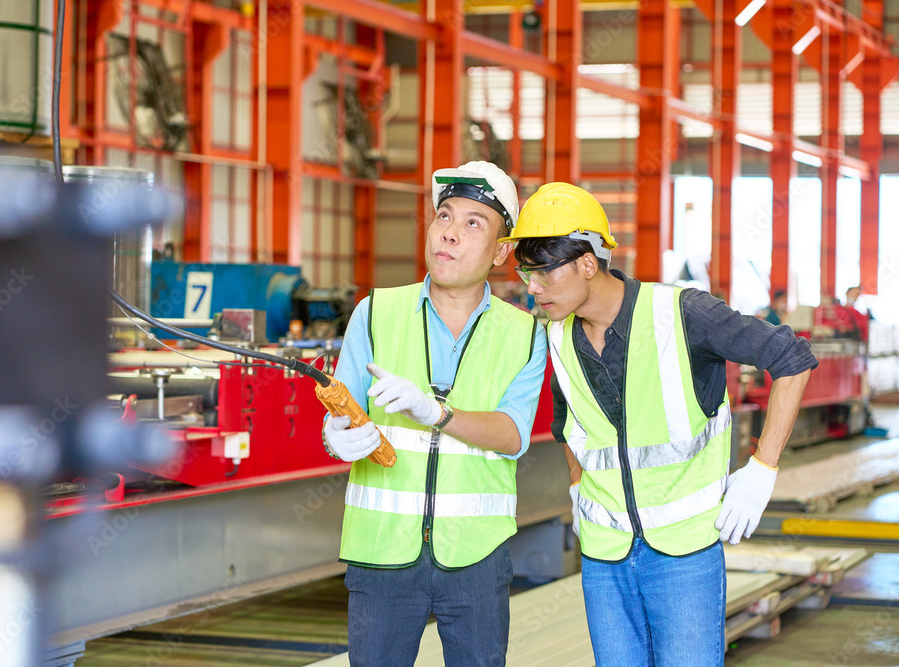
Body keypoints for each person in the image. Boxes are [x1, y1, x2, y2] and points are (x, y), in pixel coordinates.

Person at [504, 182, 817, 666]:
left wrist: (762, 468)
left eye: (542, 274)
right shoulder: (558, 337)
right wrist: (577, 487)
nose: (533, 287)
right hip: (604, 557)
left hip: (683, 554)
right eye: (527, 274)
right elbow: (570, 425)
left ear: (587, 263)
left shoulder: (683, 313)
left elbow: (791, 358)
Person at [322, 161, 547, 666]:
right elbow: (343, 408)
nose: (449, 232)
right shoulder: (375, 312)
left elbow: (512, 434)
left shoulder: (525, 334)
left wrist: (436, 412)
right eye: (443, 215)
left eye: (473, 223)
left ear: (501, 252)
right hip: (381, 553)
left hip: (477, 555)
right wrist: (336, 435)